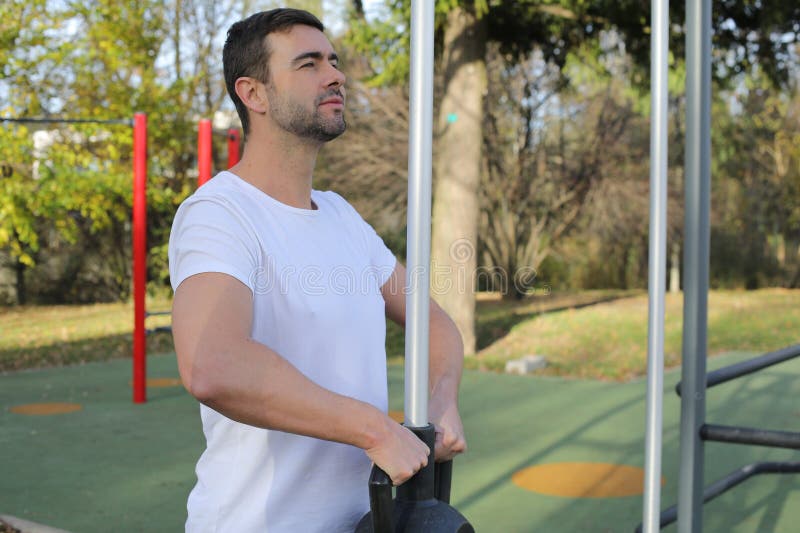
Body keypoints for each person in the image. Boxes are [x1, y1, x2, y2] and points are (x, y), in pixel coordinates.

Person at [168, 8, 467, 532]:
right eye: (308, 64)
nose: (335, 76)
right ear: (253, 94)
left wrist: (443, 400)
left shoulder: (342, 216)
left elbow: (432, 322)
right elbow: (212, 364)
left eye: (333, 61)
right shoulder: (219, 214)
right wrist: (372, 429)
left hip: (359, 523)